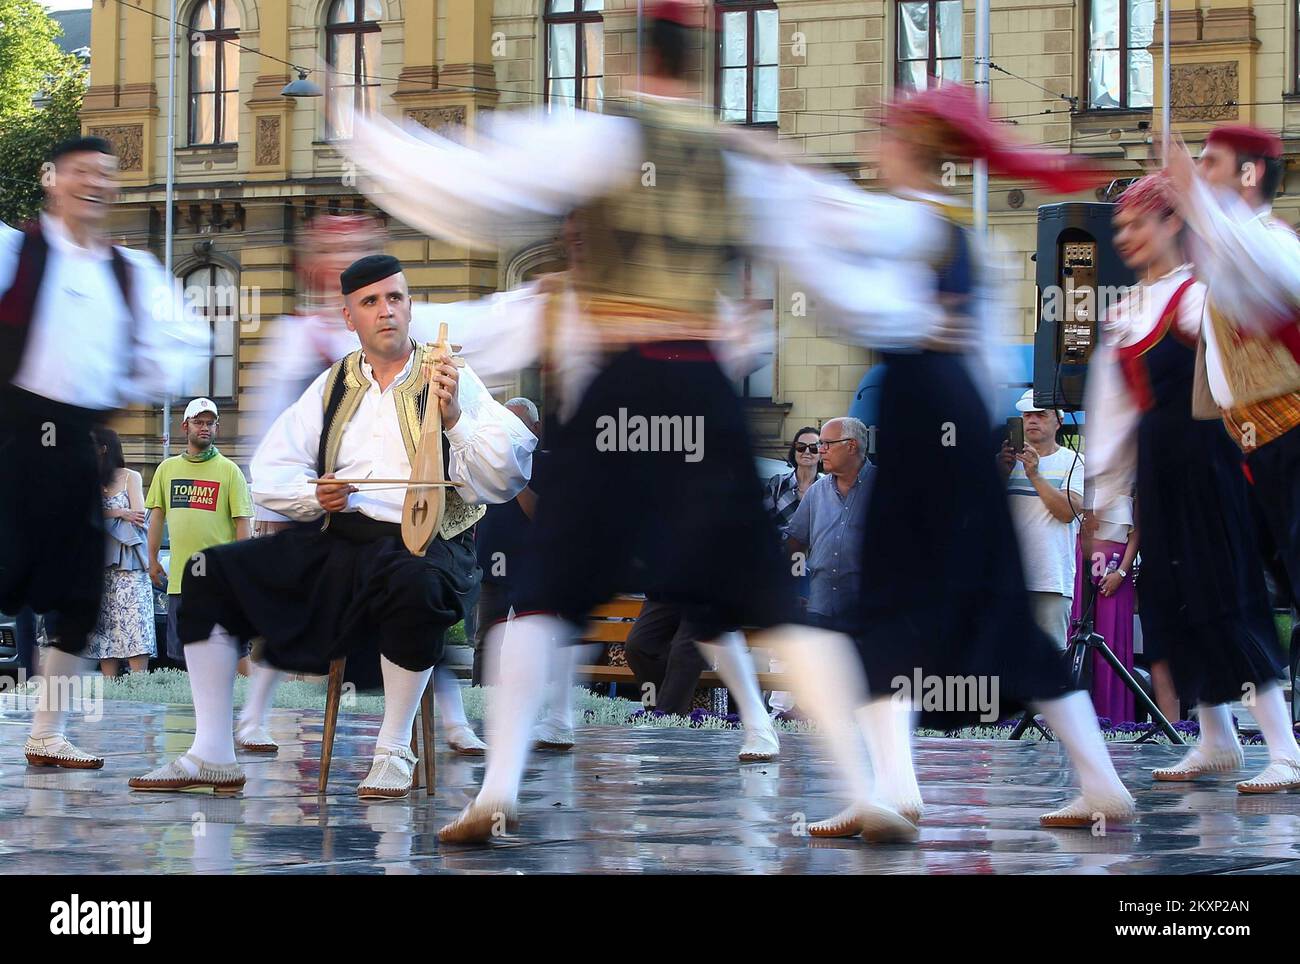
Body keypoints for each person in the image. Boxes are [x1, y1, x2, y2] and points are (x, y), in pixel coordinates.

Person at [345, 1, 805, 842]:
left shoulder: (609, 236)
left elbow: (719, 335)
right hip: (609, 458)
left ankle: (757, 725)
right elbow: (478, 320)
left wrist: (361, 129)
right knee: (558, 598)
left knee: (681, 602)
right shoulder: (565, 288)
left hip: (635, 447)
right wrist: (393, 323)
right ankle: (531, 751)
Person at [738, 82, 1135, 833]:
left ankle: (892, 790)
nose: (874, 147)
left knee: (892, 605)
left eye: (883, 135)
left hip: (926, 407)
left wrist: (768, 168)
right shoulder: (965, 236)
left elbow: (841, 274)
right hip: (946, 409)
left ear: (909, 147)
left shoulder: (908, 218)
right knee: (967, 612)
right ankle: (917, 788)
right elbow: (982, 360)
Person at [128, 255, 535, 799]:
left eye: (395, 298)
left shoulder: (450, 376)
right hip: (340, 540)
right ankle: (212, 752)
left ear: (410, 306)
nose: (386, 311)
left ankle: (393, 750)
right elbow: (271, 471)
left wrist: (456, 417)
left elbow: (503, 477)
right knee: (206, 570)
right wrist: (312, 493)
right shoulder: (333, 384)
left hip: (429, 546)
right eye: (370, 302)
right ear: (350, 317)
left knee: (411, 584)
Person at [235, 215, 487, 758]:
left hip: (412, 518)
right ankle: (251, 718)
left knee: (418, 587)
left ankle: (442, 726)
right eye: (333, 249)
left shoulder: (407, 337)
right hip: (323, 508)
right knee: (292, 599)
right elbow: (271, 431)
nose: (384, 308)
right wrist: (291, 501)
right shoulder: (298, 337)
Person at [0, 135, 202, 769]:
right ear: (51, 178)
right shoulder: (14, 250)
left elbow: (187, 341)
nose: (96, 183)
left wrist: (132, 382)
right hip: (9, 437)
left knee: (81, 596)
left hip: (75, 449)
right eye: (82, 171)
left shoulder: (131, 271)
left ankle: (46, 733)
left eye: (107, 174)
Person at [1090, 171, 1296, 791]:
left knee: (1226, 592)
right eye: (1119, 226)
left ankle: (1285, 747)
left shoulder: (1201, 298)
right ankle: (1215, 739)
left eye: (1136, 223)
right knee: (1172, 599)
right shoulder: (1126, 312)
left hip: (1208, 460)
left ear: (1171, 224)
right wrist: (1109, 503)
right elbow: (1115, 414)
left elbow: (1248, 372)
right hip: (1160, 465)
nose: (1124, 236)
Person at [1165, 123, 1300, 792]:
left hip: (1294, 437)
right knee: (1240, 591)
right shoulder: (1224, 256)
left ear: (1250, 176)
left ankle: (1275, 747)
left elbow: (1254, 266)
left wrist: (1192, 194)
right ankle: (1248, 742)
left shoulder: (1272, 242)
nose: (1203, 172)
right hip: (1250, 448)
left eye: (1214, 163)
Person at [146, 398, 254, 669]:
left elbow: (243, 523)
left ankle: (249, 708)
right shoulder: (166, 469)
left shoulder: (229, 471)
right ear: (185, 426)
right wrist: (152, 558)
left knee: (235, 650)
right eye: (199, 422)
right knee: (185, 655)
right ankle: (196, 709)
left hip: (221, 580)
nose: (204, 428)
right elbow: (156, 518)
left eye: (210, 423)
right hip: (181, 581)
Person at [1002, 391, 1084, 651]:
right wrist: (997, 475)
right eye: (1027, 415)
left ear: (1058, 421)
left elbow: (1067, 511)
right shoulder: (1004, 462)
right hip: (1008, 580)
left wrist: (1035, 475)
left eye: (1041, 415)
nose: (1032, 421)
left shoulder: (1074, 462)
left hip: (1051, 580)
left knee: (1051, 658)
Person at [785, 417, 874, 632]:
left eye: (826, 444)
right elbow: (794, 544)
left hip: (866, 615)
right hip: (819, 611)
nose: (820, 450)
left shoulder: (884, 489)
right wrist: (795, 589)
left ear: (851, 446)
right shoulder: (816, 492)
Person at [761, 425, 822, 716]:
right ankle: (779, 708)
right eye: (802, 447)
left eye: (814, 448)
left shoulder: (829, 487)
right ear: (794, 451)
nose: (807, 453)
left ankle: (800, 707)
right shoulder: (777, 484)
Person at [87, 427, 155, 676]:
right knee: (104, 633)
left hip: (129, 565)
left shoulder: (131, 477)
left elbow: (138, 517)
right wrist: (118, 513)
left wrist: (104, 519)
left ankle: (139, 691)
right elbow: (82, 516)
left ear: (104, 448)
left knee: (135, 627)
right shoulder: (88, 479)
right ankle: (110, 697)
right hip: (98, 568)